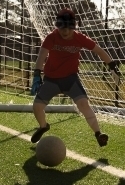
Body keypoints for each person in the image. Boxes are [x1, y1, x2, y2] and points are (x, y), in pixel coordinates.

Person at [30, 8, 118, 147]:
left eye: (68, 29)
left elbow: (99, 51)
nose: (65, 32)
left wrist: (112, 65)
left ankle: (98, 134)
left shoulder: (80, 38)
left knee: (84, 105)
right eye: (62, 29)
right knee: (37, 107)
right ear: (57, 27)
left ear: (73, 28)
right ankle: (43, 126)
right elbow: (42, 56)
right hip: (51, 79)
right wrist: (36, 75)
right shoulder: (51, 37)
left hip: (71, 79)